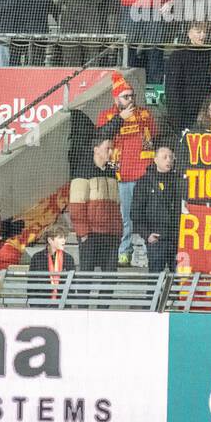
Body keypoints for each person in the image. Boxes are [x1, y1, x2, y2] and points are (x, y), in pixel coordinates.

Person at [97, 73, 158, 267]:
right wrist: (120, 119)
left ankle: (150, 252)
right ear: (116, 98)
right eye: (126, 96)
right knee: (125, 218)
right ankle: (124, 251)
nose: (130, 99)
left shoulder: (145, 114)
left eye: (131, 95)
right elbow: (101, 138)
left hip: (144, 174)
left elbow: (153, 137)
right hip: (121, 174)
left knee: (148, 215)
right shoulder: (107, 116)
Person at [67, 132, 122, 273]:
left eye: (112, 148)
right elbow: (76, 206)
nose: (111, 152)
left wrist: (118, 231)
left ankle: (106, 296)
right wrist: (83, 233)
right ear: (95, 149)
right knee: (86, 274)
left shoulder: (112, 173)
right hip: (91, 234)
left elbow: (116, 205)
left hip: (111, 234)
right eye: (107, 148)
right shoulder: (82, 170)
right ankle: (83, 296)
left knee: (110, 275)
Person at [164, 22, 211, 136]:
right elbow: (172, 88)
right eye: (198, 32)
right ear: (189, 34)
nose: (202, 36)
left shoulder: (209, 53)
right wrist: (177, 118)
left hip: (204, 108)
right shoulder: (178, 55)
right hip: (185, 109)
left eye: (205, 32)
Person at [130, 144, 186, 273]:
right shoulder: (144, 182)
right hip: (156, 238)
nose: (168, 160)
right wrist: (146, 234)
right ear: (155, 159)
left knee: (178, 278)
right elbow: (136, 212)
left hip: (176, 238)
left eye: (171, 157)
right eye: (165, 157)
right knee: (155, 278)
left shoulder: (180, 181)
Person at [27, 225, 76, 306]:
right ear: (50, 240)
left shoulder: (68, 258)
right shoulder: (37, 257)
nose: (64, 240)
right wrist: (34, 304)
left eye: (64, 237)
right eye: (60, 237)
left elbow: (72, 285)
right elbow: (31, 283)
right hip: (41, 303)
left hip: (63, 303)